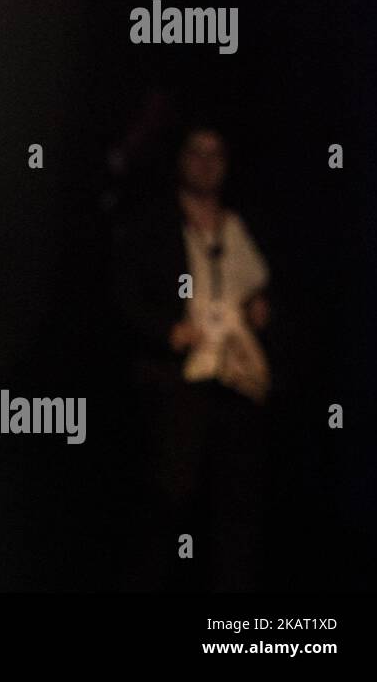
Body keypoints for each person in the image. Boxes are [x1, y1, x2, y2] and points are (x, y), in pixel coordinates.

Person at [113, 125, 273, 591]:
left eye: (216, 153)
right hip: (178, 383)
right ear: (180, 159)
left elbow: (261, 286)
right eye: (196, 153)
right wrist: (168, 330)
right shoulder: (155, 223)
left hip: (237, 382)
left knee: (235, 510)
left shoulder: (240, 222)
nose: (206, 163)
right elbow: (123, 293)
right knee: (167, 504)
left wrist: (261, 309)